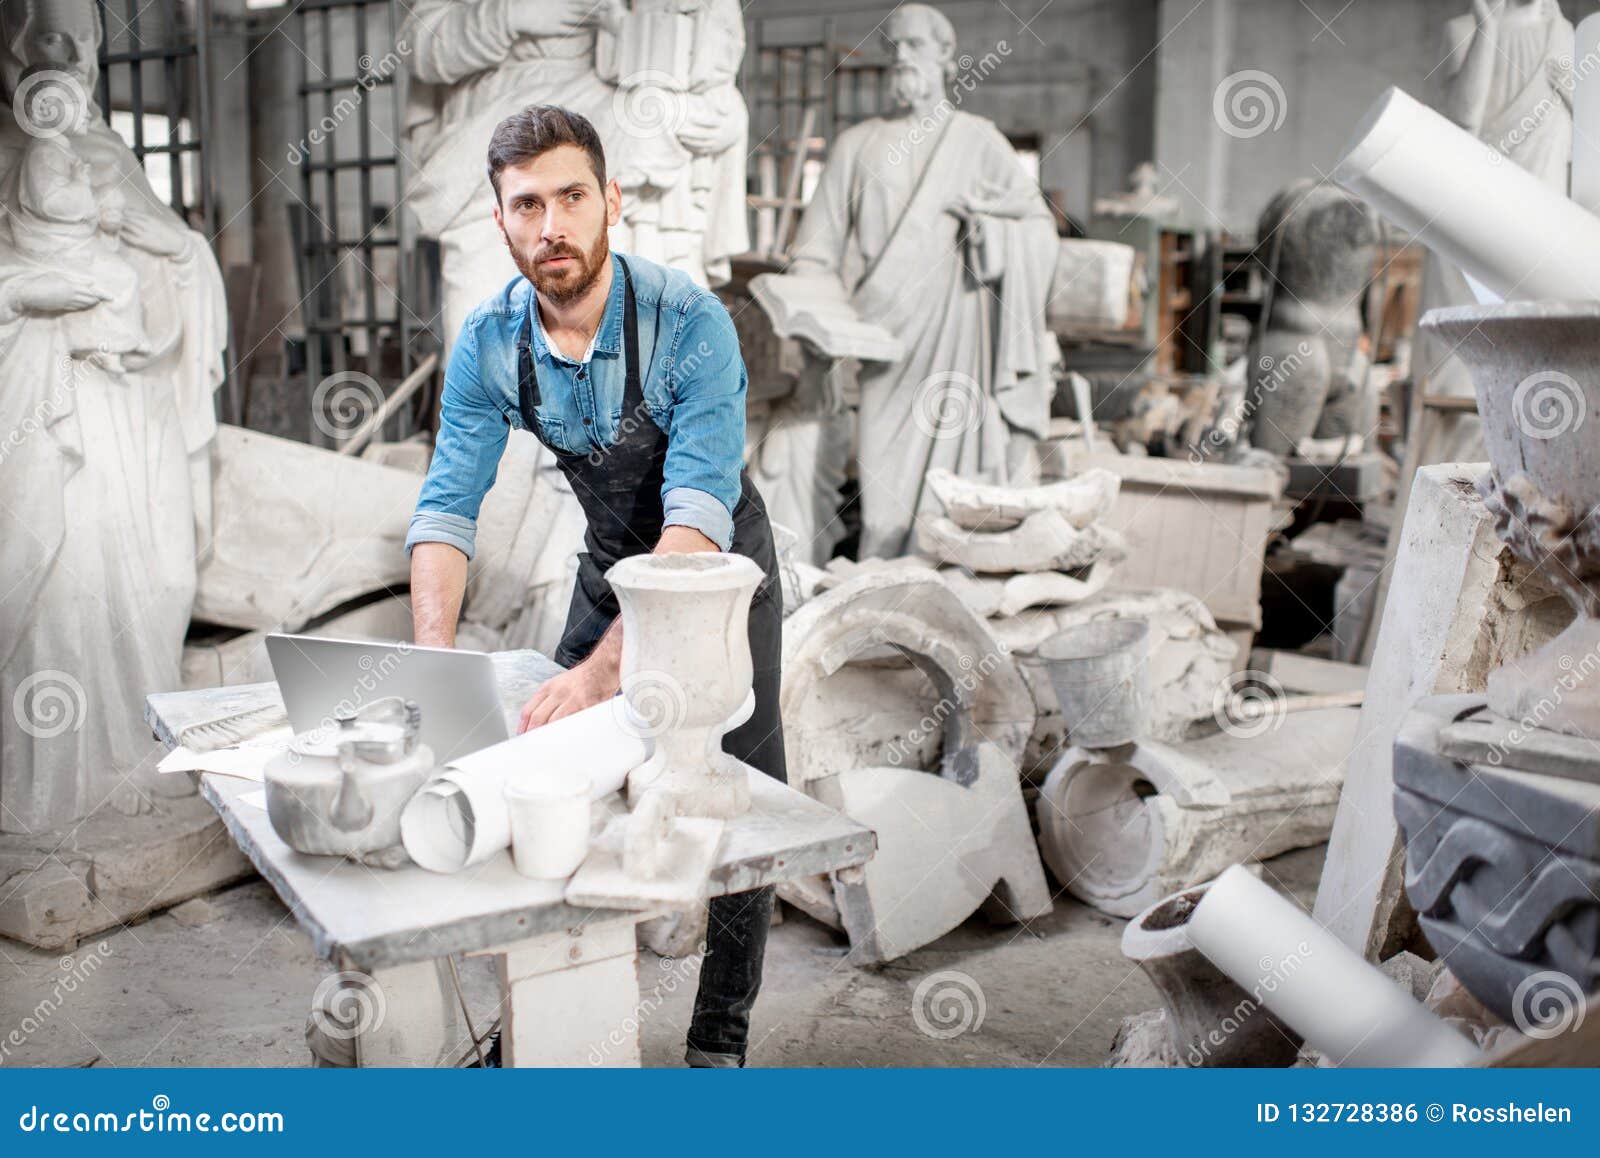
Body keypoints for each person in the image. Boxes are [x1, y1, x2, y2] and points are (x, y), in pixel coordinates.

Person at [406, 105, 784, 1068]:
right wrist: (431, 661)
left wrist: (604, 672)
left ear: (611, 200)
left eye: (571, 197)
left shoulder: (689, 324)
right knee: (552, 772)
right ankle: (547, 1017)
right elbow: (447, 510)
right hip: (613, 562)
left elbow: (693, 522)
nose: (552, 226)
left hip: (717, 570)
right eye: (527, 205)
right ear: (500, 220)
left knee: (742, 801)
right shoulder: (491, 342)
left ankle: (718, 1040)